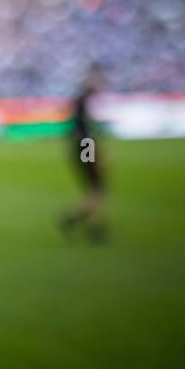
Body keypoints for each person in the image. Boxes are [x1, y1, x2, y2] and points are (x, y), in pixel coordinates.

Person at [59, 68, 109, 243]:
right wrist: (97, 156)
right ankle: (88, 225)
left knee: (95, 189)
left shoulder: (80, 100)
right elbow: (89, 131)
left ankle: (86, 224)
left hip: (81, 145)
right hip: (86, 145)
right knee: (97, 189)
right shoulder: (88, 102)